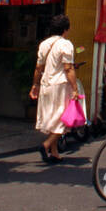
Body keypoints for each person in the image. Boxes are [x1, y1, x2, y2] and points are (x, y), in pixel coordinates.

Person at [30, 14, 80, 163]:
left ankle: (55, 152)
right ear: (66, 29)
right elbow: (68, 68)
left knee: (53, 117)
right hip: (60, 86)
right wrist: (75, 88)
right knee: (64, 118)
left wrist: (35, 85)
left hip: (46, 84)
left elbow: (38, 68)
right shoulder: (66, 44)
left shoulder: (44, 44)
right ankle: (46, 145)